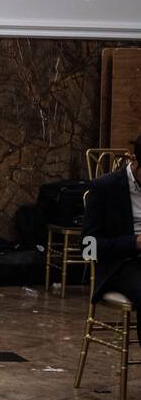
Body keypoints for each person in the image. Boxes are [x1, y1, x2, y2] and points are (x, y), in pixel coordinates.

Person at [82, 132, 141, 312]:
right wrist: (135, 242)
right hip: (122, 264)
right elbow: (87, 247)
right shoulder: (105, 187)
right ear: (135, 161)